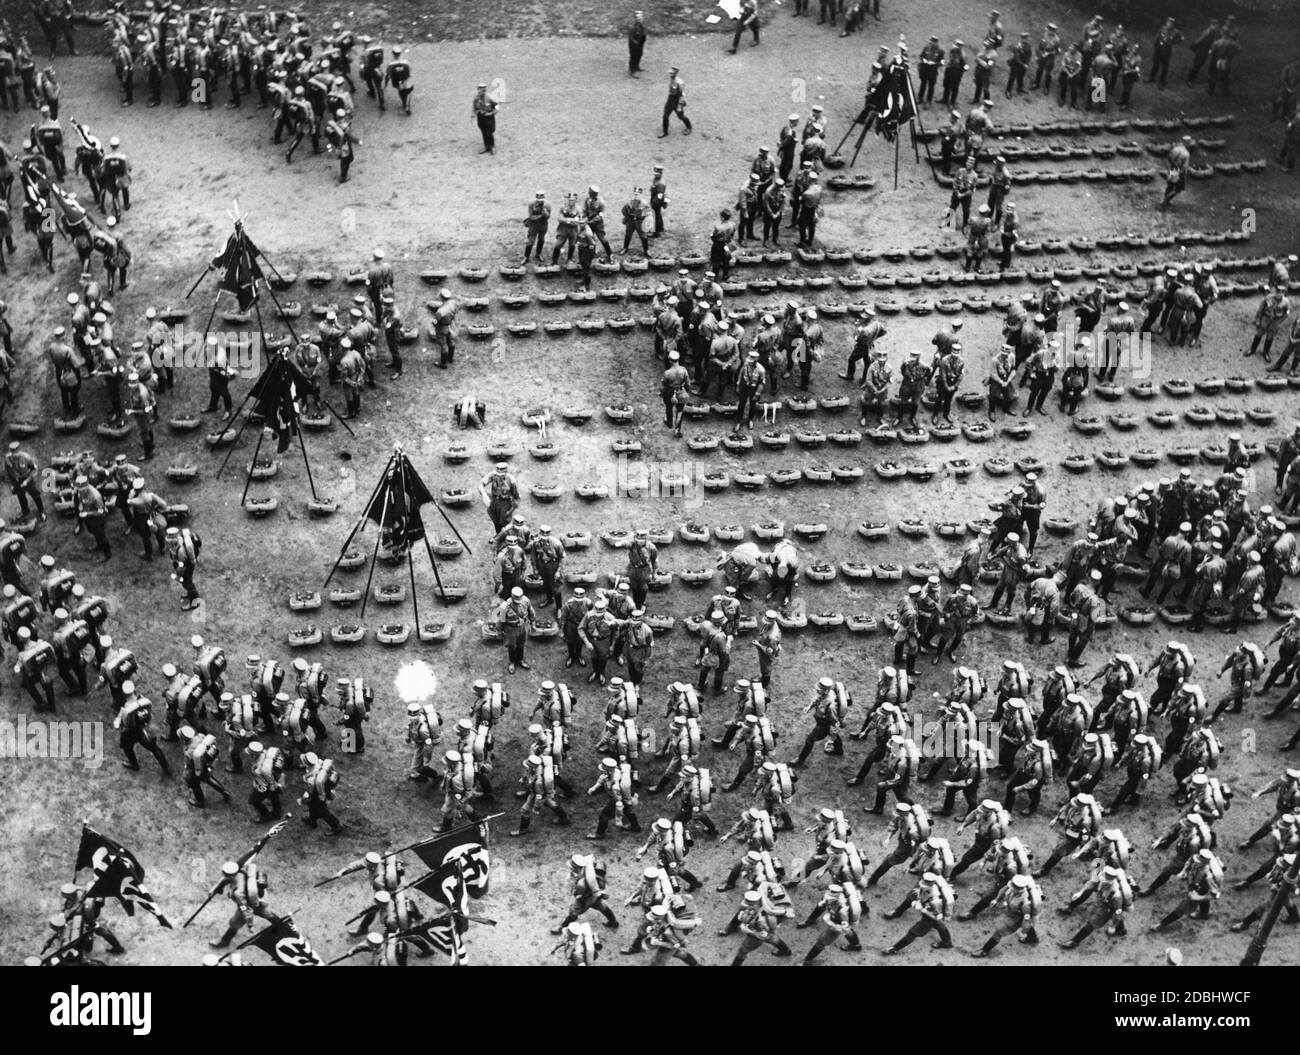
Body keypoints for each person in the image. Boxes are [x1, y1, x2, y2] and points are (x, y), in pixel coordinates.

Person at [660, 67, 691, 137]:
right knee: (665, 116)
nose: (670, 74)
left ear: (675, 73)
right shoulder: (672, 79)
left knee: (680, 116)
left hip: (677, 100)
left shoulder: (680, 82)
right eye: (670, 73)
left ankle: (689, 127)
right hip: (670, 99)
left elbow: (682, 94)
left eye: (671, 73)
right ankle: (665, 132)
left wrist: (680, 105)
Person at [472, 83, 496, 153]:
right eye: (480, 90)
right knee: (483, 132)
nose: (482, 92)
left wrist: (491, 113)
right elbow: (474, 108)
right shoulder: (476, 98)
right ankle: (486, 146)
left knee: (489, 133)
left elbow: (496, 107)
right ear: (478, 90)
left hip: (489, 118)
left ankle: (492, 146)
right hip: (481, 117)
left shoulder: (490, 97)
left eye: (483, 90)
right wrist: (473, 116)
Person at [628, 11, 647, 75]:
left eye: (641, 17)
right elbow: (630, 37)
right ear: (636, 18)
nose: (641, 19)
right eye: (639, 18)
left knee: (639, 55)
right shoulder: (633, 27)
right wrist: (636, 43)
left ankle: (637, 67)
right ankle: (631, 70)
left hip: (640, 43)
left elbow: (643, 32)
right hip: (634, 45)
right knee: (634, 56)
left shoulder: (641, 25)